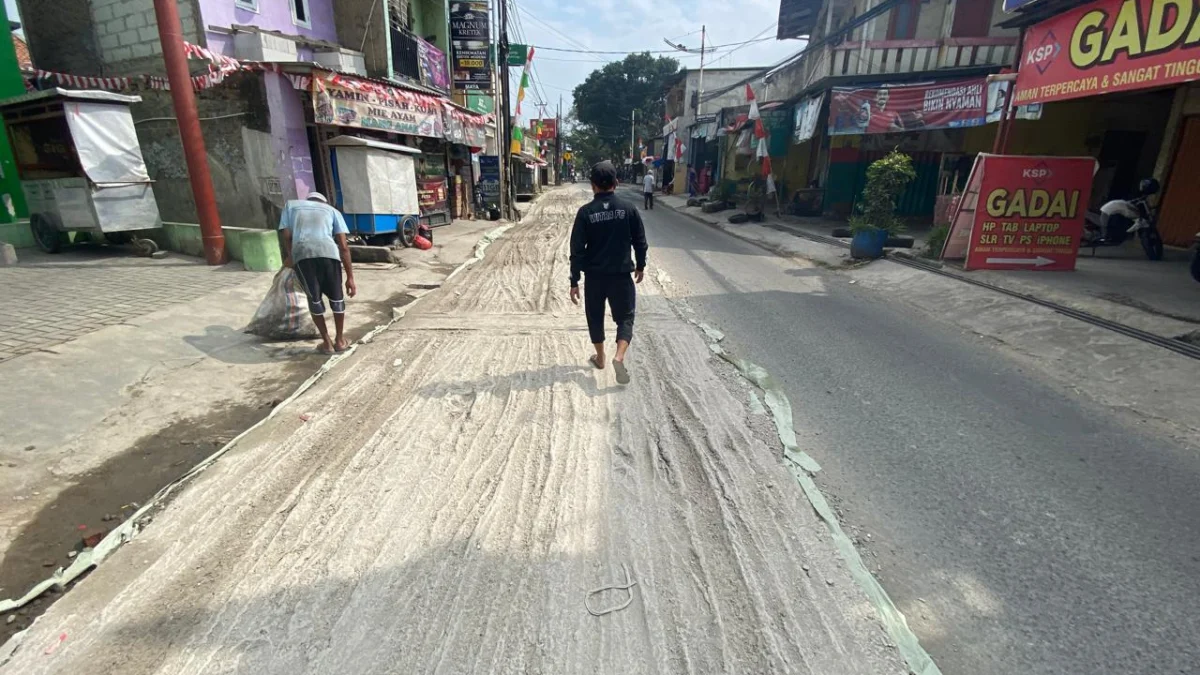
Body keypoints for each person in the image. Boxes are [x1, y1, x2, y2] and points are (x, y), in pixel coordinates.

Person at [570, 161, 648, 385]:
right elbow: (640, 241)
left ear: (592, 185)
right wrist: (640, 265)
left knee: (595, 317)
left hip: (594, 277)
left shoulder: (585, 213)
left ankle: (601, 357)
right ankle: (619, 356)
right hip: (621, 275)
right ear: (616, 182)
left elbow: (577, 250)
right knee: (626, 318)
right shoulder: (629, 209)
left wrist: (574, 280)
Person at [279, 192, 357, 355]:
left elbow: (287, 236)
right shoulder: (332, 211)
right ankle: (340, 341)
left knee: (314, 299)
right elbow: (343, 246)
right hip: (329, 254)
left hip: (303, 255)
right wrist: (350, 278)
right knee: (337, 298)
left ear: (308, 200)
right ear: (324, 202)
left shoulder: (291, 206)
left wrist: (291, 255)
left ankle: (327, 343)